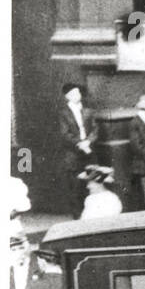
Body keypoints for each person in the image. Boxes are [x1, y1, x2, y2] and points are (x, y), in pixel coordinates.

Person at [58, 83, 96, 215]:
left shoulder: (88, 111)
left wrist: (88, 142)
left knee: (91, 183)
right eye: (74, 93)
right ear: (67, 96)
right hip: (73, 154)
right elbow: (65, 134)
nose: (77, 96)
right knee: (75, 187)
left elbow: (95, 129)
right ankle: (77, 217)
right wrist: (80, 143)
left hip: (89, 152)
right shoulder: (63, 113)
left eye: (78, 93)